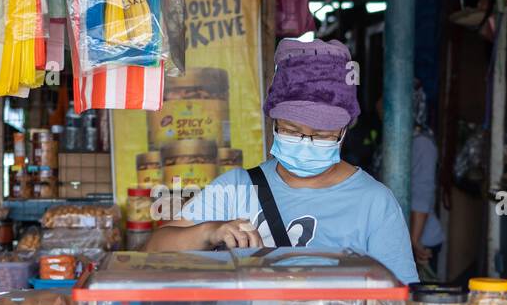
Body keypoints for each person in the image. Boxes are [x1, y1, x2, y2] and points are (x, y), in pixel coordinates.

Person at [147, 38, 420, 284]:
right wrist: (208, 232)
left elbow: (401, 299)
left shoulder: (374, 203)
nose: (305, 141)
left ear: (344, 130)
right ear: (273, 122)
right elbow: (151, 253)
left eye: (322, 134)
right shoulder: (237, 188)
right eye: (291, 130)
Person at [410, 96, 445, 272]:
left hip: (421, 243)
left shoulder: (421, 144)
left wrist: (415, 241)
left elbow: (421, 192)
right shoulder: (401, 138)